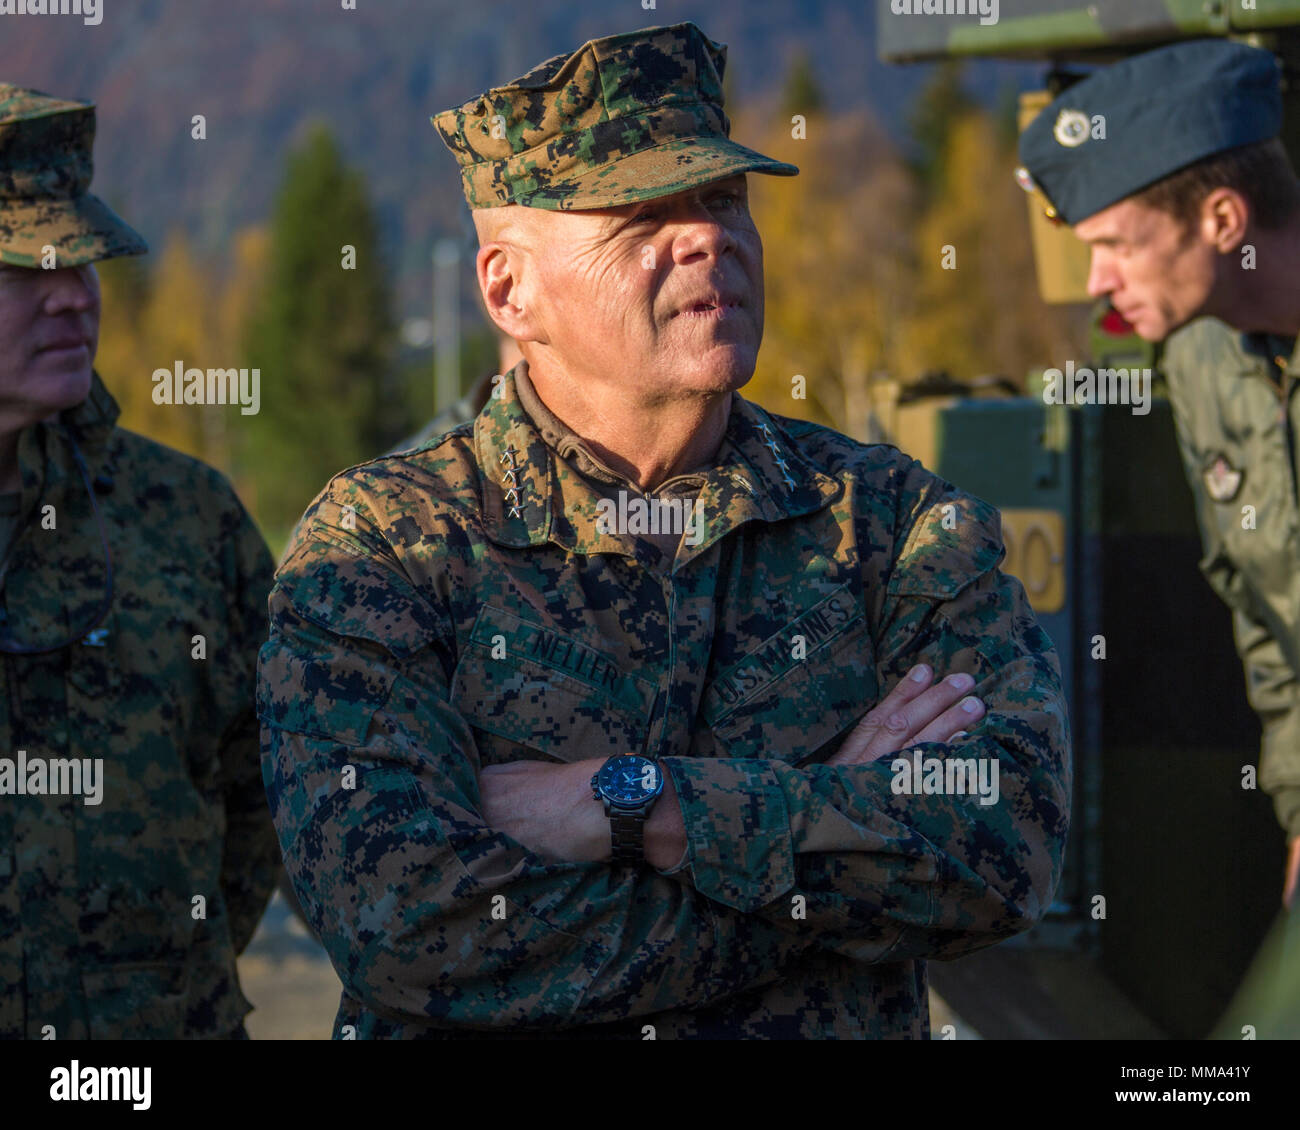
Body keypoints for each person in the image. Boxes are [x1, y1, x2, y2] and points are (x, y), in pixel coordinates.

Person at [259, 21, 1071, 1039]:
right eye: (641, 215)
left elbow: (1007, 845)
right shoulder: (387, 541)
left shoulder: (894, 523)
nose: (707, 236)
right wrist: (823, 827)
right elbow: (411, 924)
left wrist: (635, 804)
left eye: (723, 199)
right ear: (509, 288)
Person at [0, 85, 280, 1037]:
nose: (75, 294)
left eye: (83, 260)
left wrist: (153, 992)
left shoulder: (183, 514)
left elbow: (265, 790)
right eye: (27, 269)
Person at [1017, 38, 1300, 910]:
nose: (1099, 281)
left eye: (1117, 245)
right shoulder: (1202, 361)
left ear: (1222, 221)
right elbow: (1268, 626)